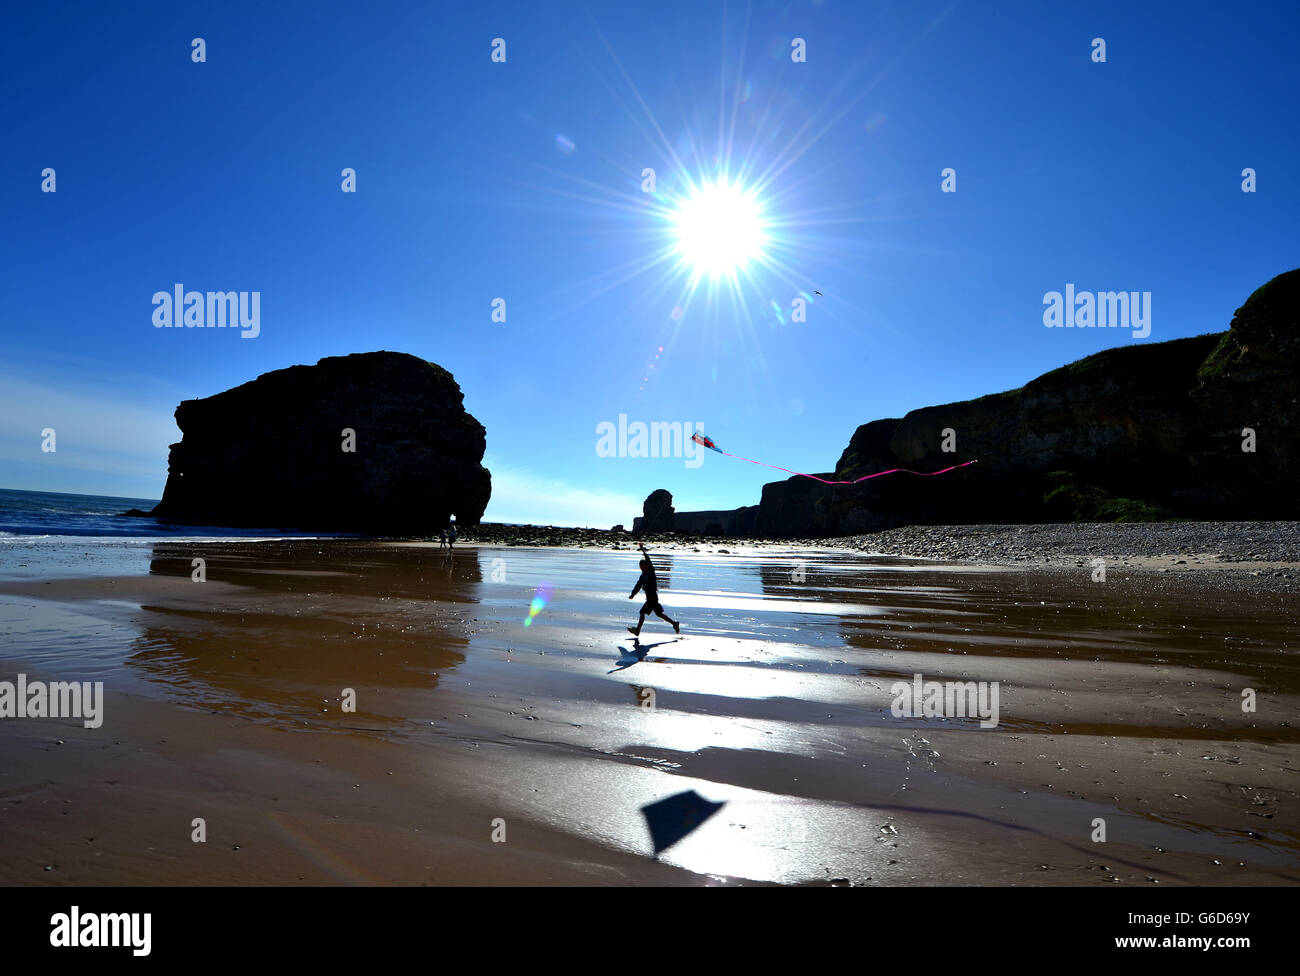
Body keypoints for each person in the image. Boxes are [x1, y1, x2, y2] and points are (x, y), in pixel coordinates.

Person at [628, 543, 680, 636]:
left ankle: (637, 630)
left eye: (644, 566)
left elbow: (648, 560)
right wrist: (632, 594)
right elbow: (638, 586)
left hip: (652, 597)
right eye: (641, 567)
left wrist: (643, 550)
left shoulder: (651, 572)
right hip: (651, 597)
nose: (642, 568)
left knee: (642, 612)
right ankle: (674, 623)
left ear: (647, 566)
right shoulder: (642, 576)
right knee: (659, 614)